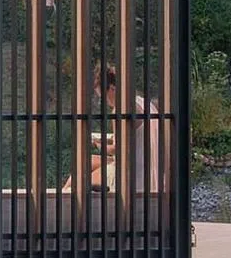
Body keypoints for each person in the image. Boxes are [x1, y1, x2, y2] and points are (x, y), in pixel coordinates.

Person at [65, 63, 162, 194]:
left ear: (112, 88)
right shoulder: (143, 103)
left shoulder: (120, 110)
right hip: (149, 166)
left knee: (75, 182)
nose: (104, 101)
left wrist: (98, 144)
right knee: (85, 161)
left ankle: (60, 203)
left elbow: (118, 149)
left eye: (103, 96)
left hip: (131, 174)